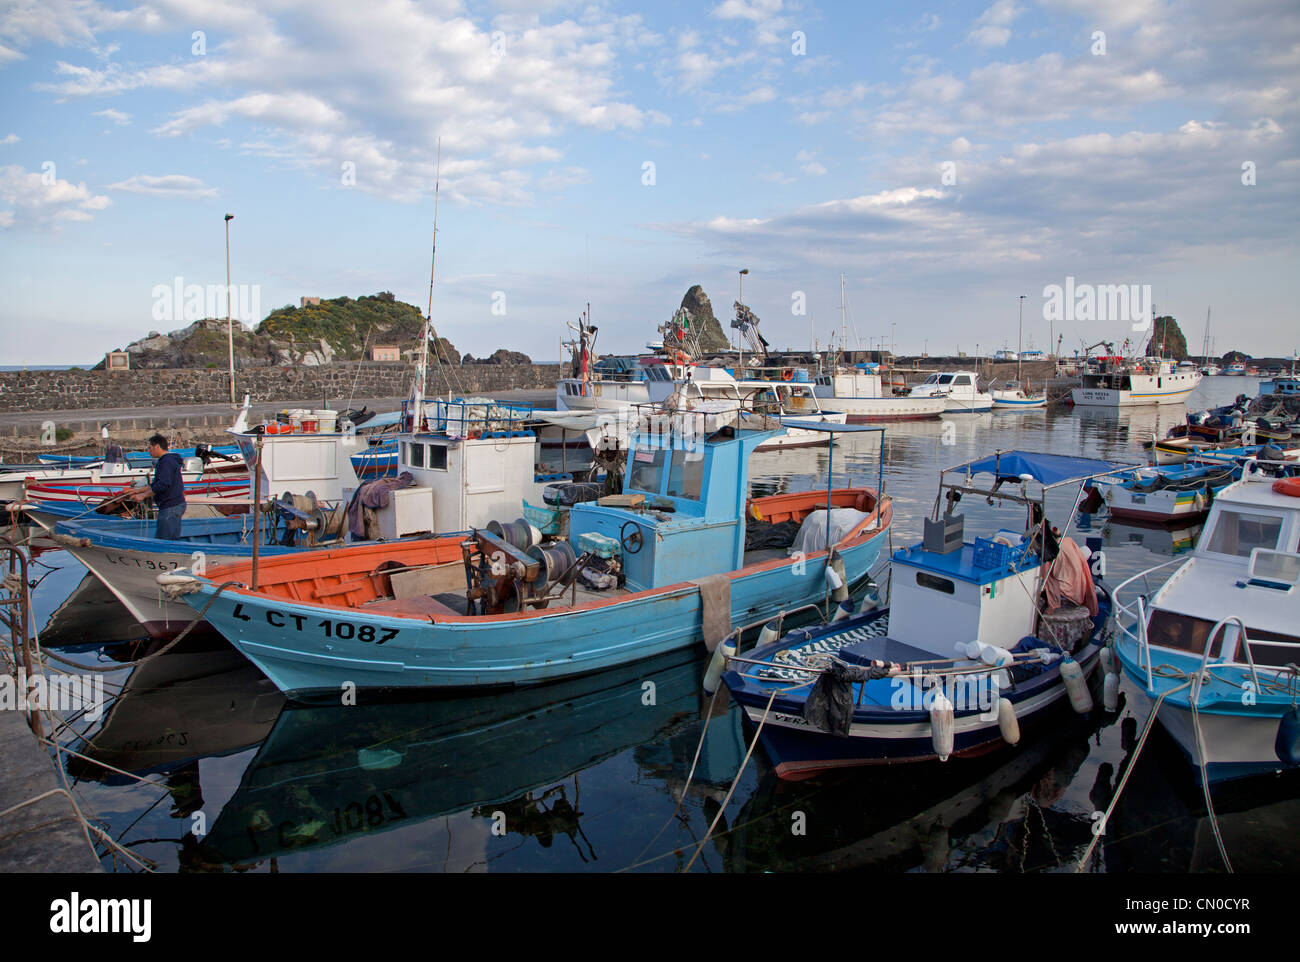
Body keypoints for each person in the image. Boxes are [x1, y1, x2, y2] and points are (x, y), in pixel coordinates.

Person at [125, 434, 186, 539]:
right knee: (172, 538)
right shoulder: (167, 460)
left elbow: (163, 485)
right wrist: (137, 491)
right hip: (173, 505)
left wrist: (143, 496)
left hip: (170, 507)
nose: (149, 451)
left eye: (150, 448)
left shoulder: (166, 462)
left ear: (157, 446)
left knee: (164, 540)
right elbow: (156, 484)